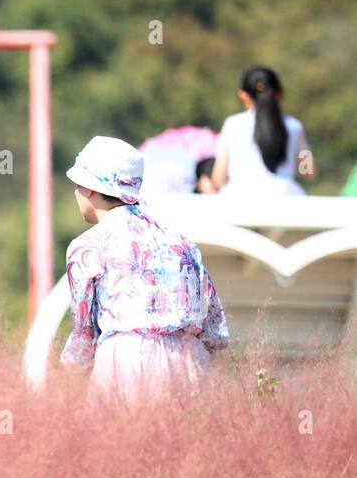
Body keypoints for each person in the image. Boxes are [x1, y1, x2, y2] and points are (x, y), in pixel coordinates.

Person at [60, 136, 229, 406]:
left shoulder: (87, 246)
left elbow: (84, 334)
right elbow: (215, 330)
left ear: (89, 188)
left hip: (125, 364)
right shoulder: (182, 241)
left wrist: (67, 375)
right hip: (189, 364)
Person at [211, 67, 312, 197]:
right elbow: (308, 170)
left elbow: (218, 177)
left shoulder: (232, 124)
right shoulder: (294, 126)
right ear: (280, 93)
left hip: (239, 197)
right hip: (286, 197)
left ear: (243, 95)